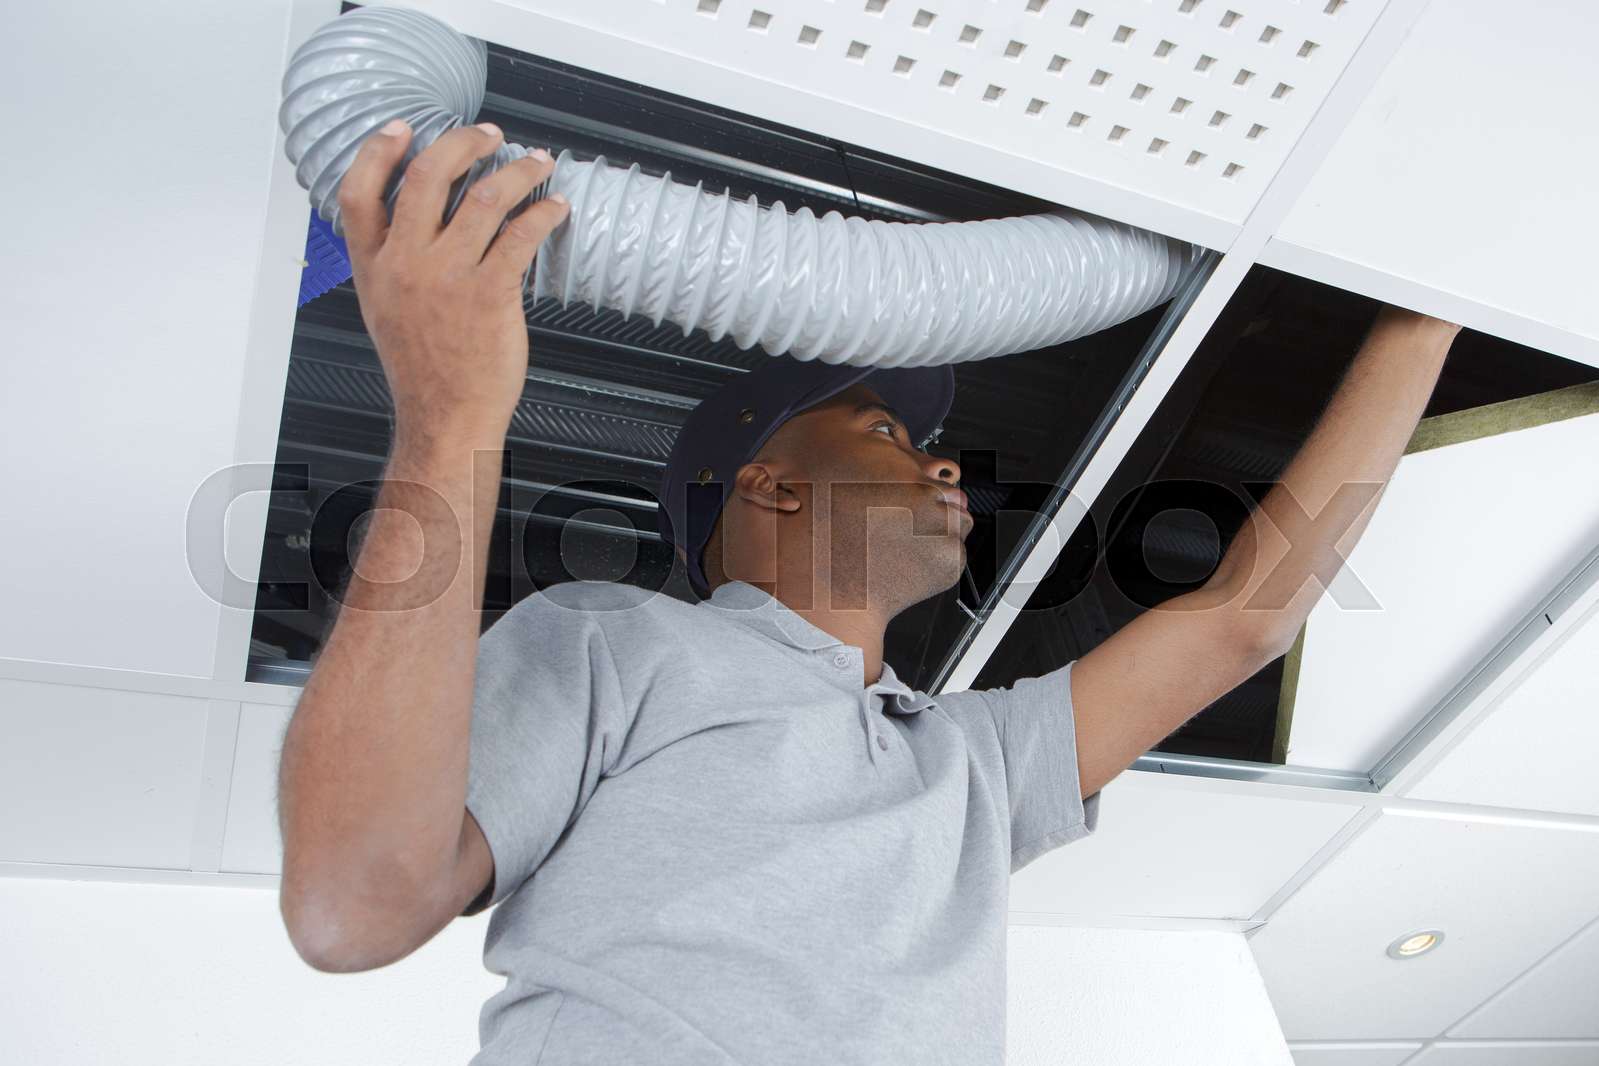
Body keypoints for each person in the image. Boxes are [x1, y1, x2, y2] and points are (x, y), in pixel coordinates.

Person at [276, 119, 1463, 1065]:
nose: (945, 461)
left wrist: (1429, 312)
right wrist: (451, 413)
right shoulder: (616, 642)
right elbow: (353, 906)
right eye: (889, 426)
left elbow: (1245, 619)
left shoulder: (968, 763)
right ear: (771, 487)